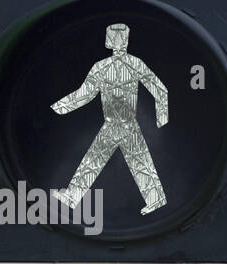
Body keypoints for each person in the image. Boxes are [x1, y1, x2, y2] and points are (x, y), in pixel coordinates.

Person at [51, 23, 168, 216]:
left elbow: (83, 95)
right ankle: (155, 199)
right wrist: (161, 119)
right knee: (109, 161)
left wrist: (60, 108)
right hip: (119, 123)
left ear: (108, 41)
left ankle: (72, 196)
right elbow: (160, 89)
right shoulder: (129, 63)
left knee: (99, 161)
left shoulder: (104, 66)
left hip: (122, 123)